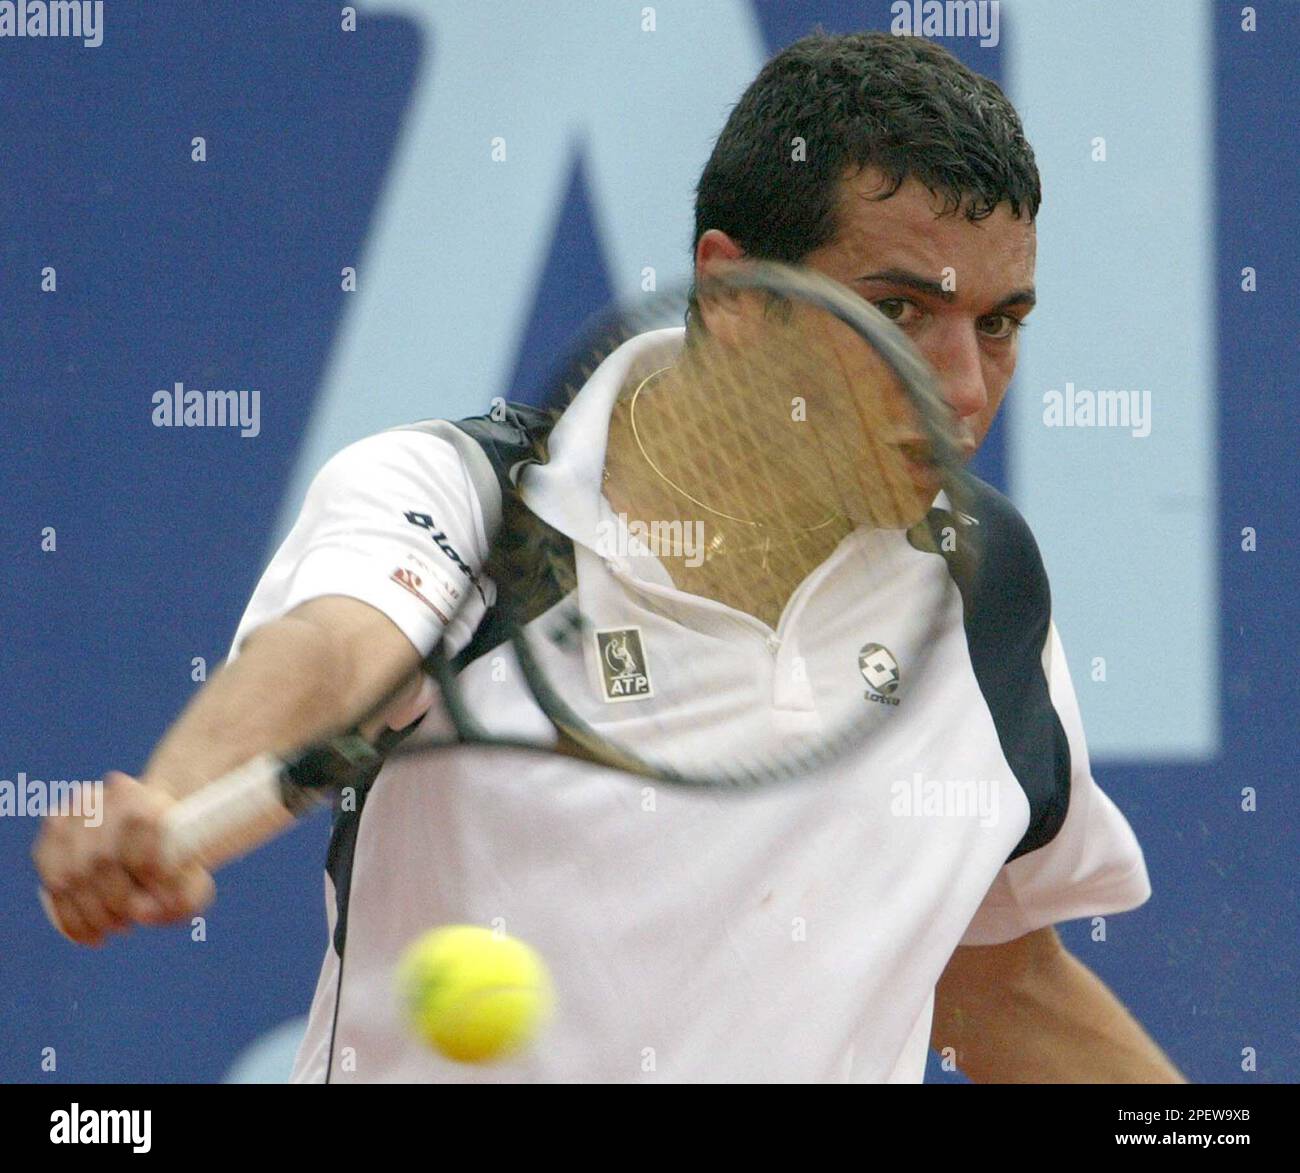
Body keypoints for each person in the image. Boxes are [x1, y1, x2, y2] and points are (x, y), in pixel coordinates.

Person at [33, 31, 1183, 1083]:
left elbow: (991, 981)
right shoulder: (461, 498)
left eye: (997, 323)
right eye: (897, 313)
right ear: (734, 294)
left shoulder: (984, 592)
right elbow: (335, 654)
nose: (964, 390)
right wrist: (172, 798)